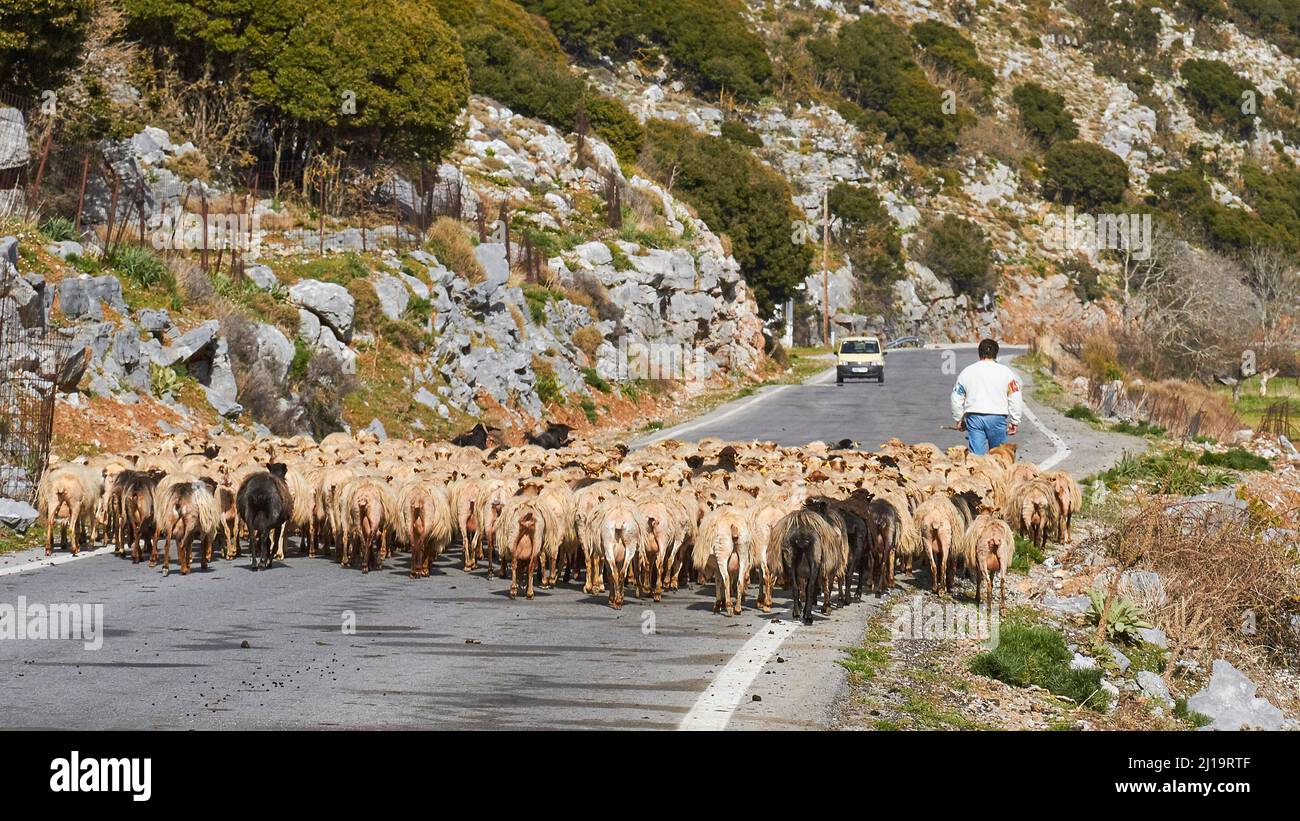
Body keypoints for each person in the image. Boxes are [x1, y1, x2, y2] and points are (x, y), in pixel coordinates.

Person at [950, 338, 1023, 455]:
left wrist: (959, 419)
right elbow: (1015, 396)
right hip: (997, 418)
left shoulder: (967, 372)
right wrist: (1015, 420)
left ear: (979, 353)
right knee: (998, 456)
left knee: (976, 458)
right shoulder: (1006, 372)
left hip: (975, 418)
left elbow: (956, 397)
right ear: (996, 353)